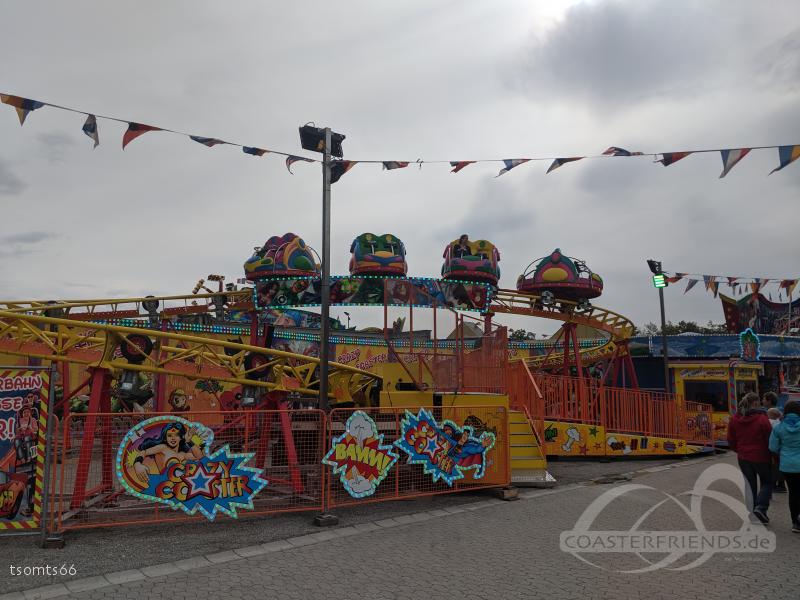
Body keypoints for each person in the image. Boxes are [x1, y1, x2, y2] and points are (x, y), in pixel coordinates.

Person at [727, 392, 773, 523]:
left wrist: (738, 450)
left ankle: (752, 513)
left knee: (749, 485)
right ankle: (761, 508)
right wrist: (773, 455)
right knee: (767, 482)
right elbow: (770, 438)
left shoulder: (735, 419)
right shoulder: (762, 419)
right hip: (761, 456)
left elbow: (730, 439)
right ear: (755, 403)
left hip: (743, 457)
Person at [769, 400, 800, 532]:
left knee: (793, 493)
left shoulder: (778, 427)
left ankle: (795, 523)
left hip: (787, 466)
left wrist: (783, 450)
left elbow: (772, 447)